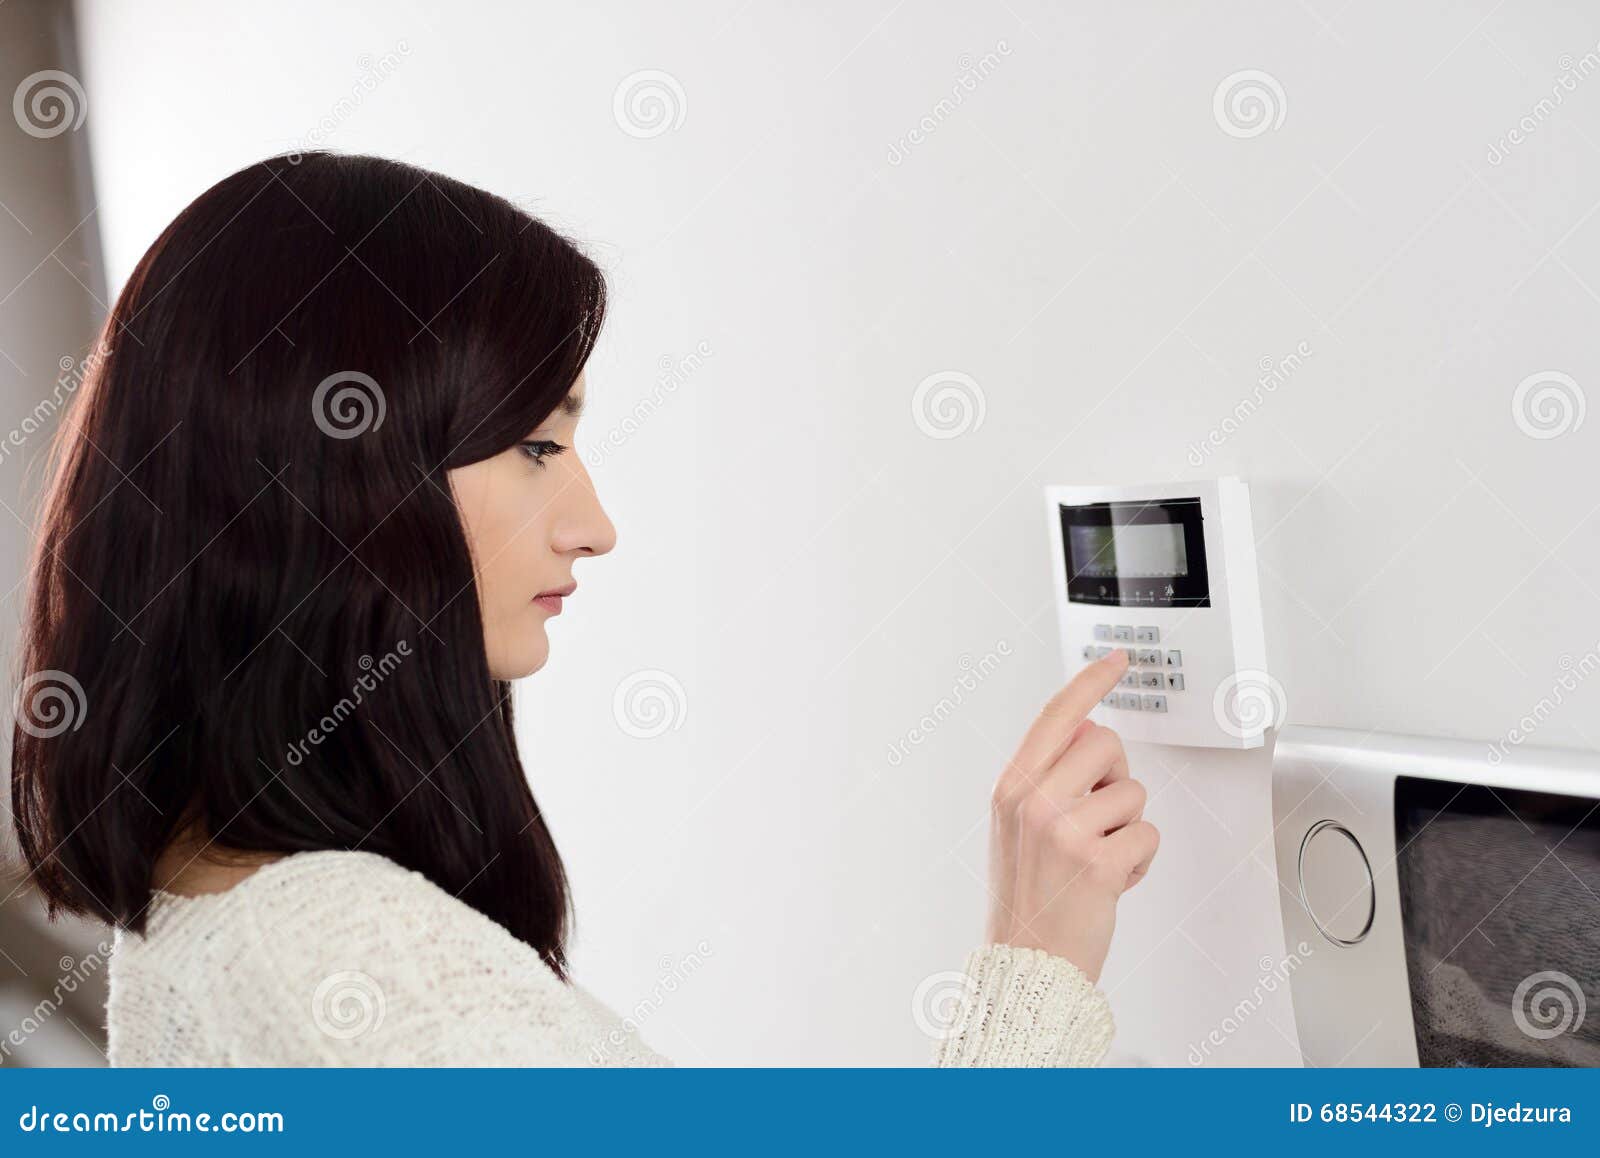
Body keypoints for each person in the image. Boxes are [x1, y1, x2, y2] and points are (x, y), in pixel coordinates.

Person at [7, 152, 1157, 1066]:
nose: (593, 523)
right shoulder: (344, 964)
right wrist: (1034, 963)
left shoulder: (212, 905)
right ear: (337, 480)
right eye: (534, 445)